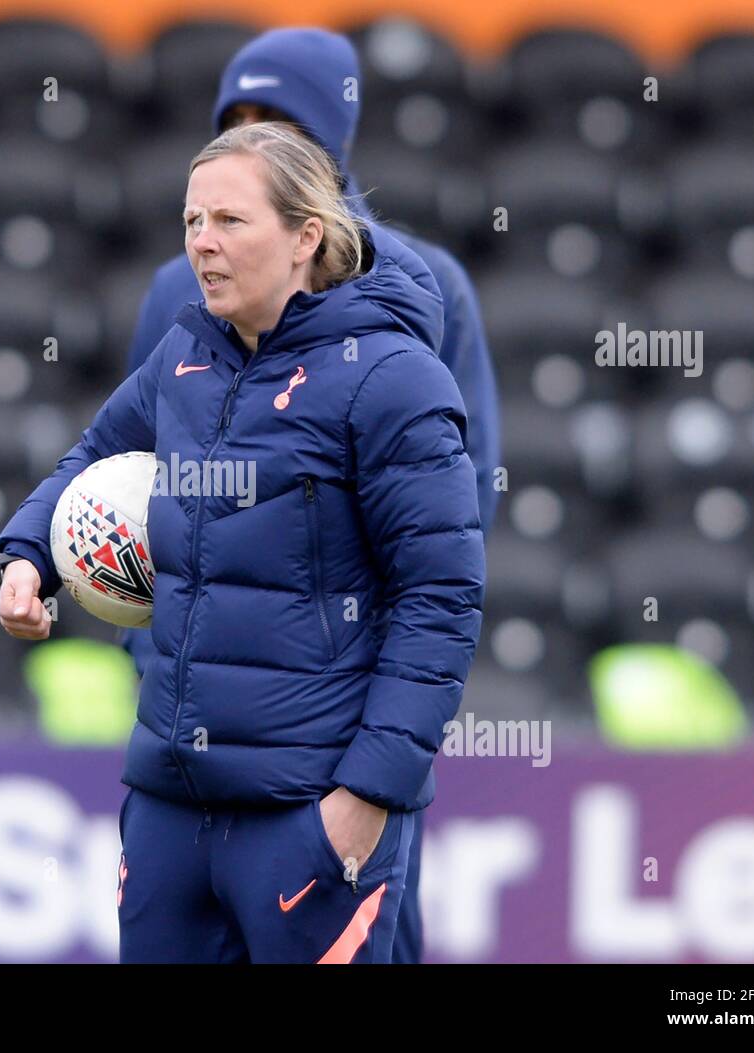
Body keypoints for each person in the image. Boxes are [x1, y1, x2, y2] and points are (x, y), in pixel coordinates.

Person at [0, 121, 484, 964]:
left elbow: (439, 600)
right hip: (169, 808)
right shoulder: (186, 353)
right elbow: (94, 456)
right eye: (191, 222)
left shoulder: (394, 378)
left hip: (308, 815)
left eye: (229, 221)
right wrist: (27, 552)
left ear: (306, 236)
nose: (202, 244)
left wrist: (366, 794)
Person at [118, 27, 500, 964]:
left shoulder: (424, 288)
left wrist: (366, 764)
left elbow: (451, 524)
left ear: (336, 142)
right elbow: (133, 477)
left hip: (336, 745)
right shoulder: (180, 288)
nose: (254, 141)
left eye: (279, 122)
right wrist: (159, 648)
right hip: (198, 755)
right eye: (235, 123)